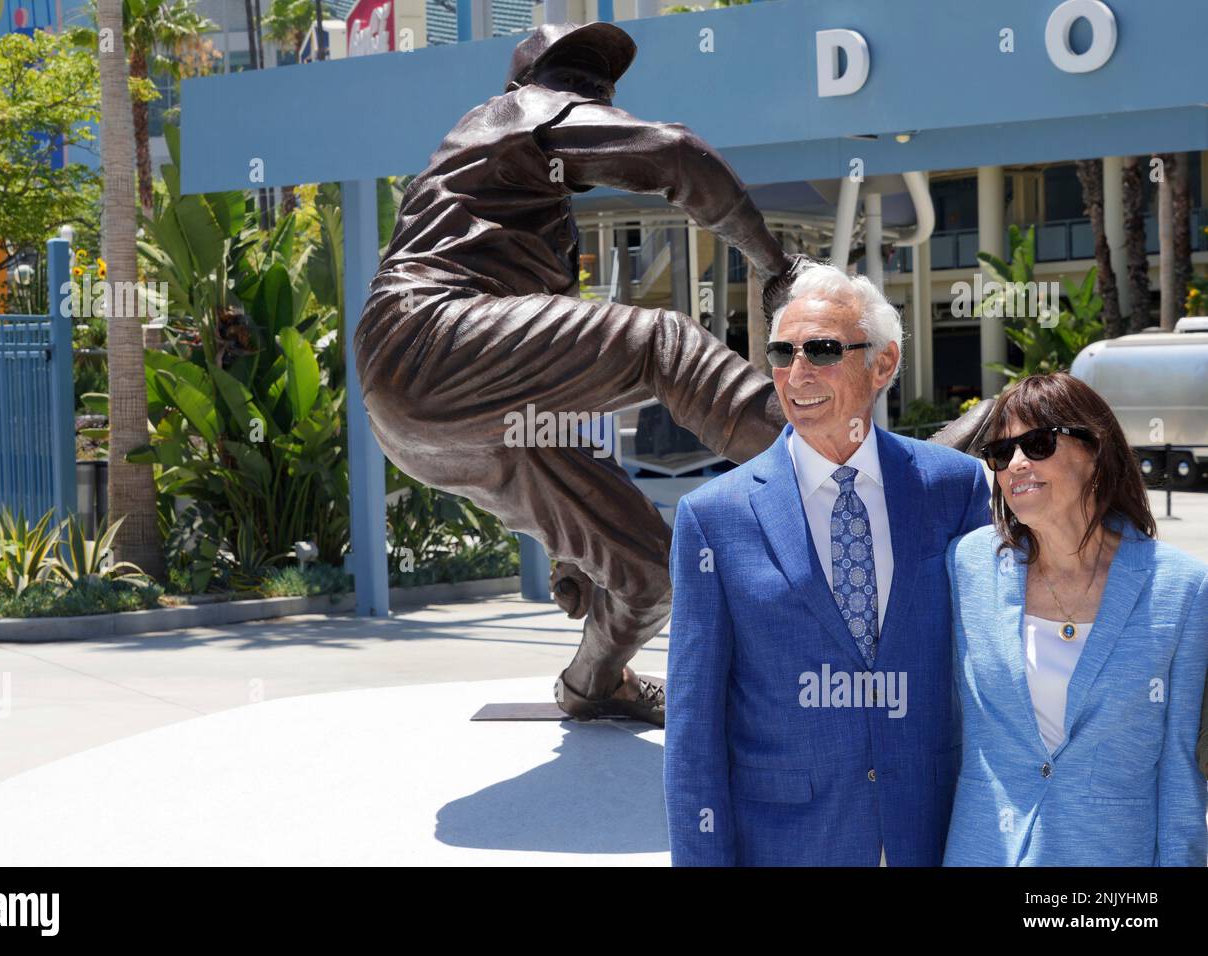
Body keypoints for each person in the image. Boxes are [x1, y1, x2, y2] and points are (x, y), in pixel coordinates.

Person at [355, 21, 812, 727]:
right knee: (660, 343)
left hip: (434, 411)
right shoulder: (510, 113)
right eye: (574, 74)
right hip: (428, 332)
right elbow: (676, 154)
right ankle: (831, 464)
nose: (591, 90)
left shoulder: (529, 221)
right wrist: (776, 266)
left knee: (651, 574)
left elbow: (539, 402)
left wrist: (567, 542)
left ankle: (593, 683)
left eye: (599, 78)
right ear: (535, 84)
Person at [663, 263, 991, 866]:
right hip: (790, 843)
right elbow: (692, 731)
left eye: (821, 350)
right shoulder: (713, 518)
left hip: (934, 834)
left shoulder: (955, 488)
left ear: (884, 364)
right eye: (782, 353)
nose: (797, 372)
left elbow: (990, 672)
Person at [944, 372, 1208, 866]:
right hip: (986, 850)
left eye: (1037, 443)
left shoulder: (1184, 589)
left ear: (1094, 452)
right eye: (1001, 453)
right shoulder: (967, 566)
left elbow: (1179, 773)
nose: (1015, 464)